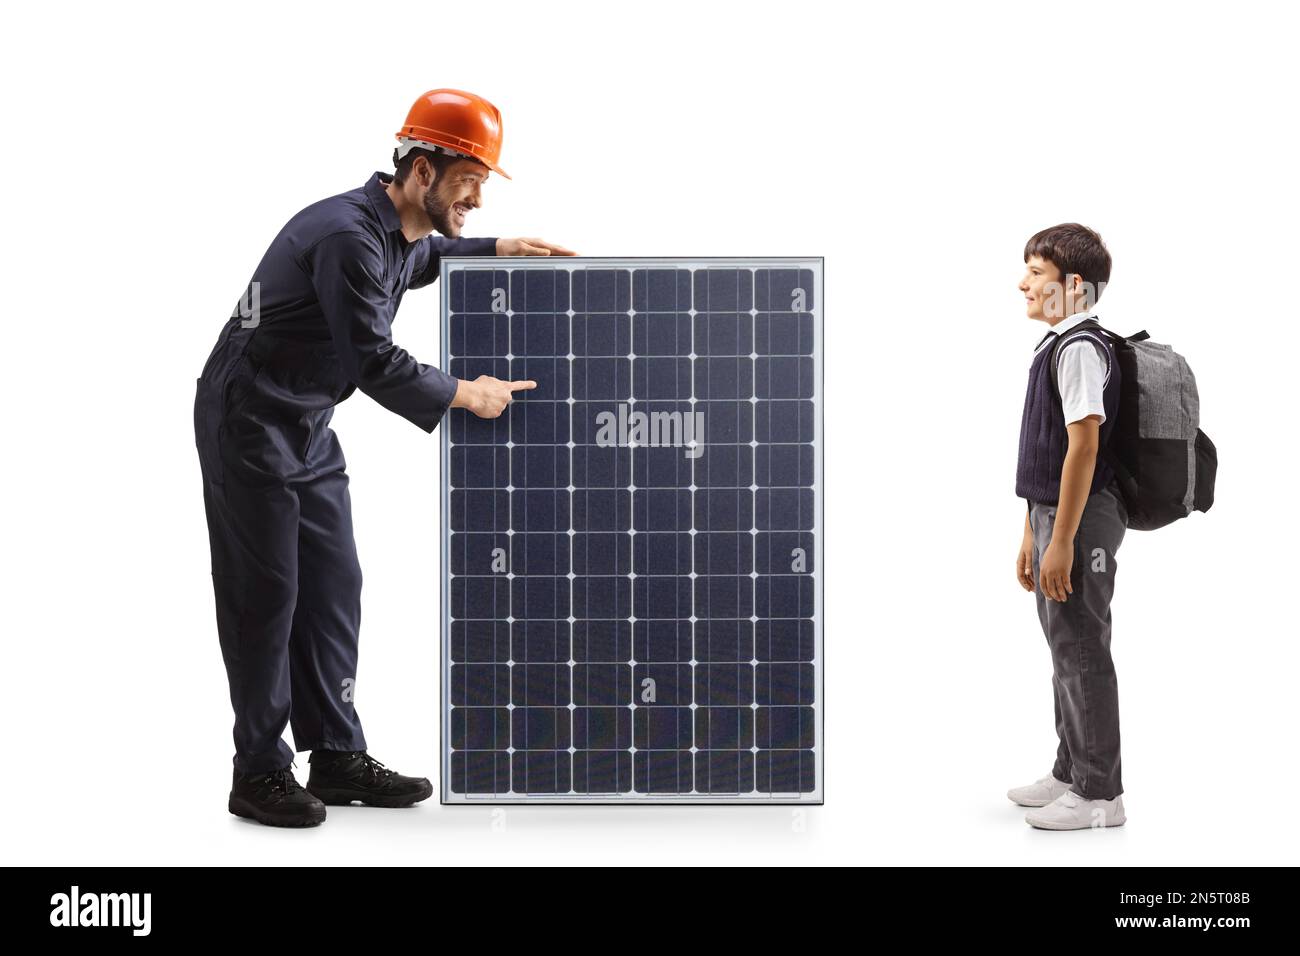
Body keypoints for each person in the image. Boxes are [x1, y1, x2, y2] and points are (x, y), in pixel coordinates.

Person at [193, 88, 576, 827]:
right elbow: (372, 358)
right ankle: (260, 772)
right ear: (425, 171)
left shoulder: (392, 228)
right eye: (471, 183)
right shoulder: (346, 236)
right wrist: (465, 393)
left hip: (304, 421)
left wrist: (495, 249)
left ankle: (335, 755)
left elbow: (425, 254)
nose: (479, 200)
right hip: (247, 417)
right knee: (266, 593)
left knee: (334, 583)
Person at [1009, 223, 1129, 830]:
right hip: (1055, 516)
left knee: (1083, 649)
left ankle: (1100, 794)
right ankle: (1069, 771)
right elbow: (1046, 453)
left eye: (1036, 272)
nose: (1023, 283)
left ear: (1073, 286)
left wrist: (1061, 540)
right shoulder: (1055, 345)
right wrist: (1034, 531)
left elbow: (1083, 448)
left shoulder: (1081, 347)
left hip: (1081, 520)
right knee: (1066, 648)